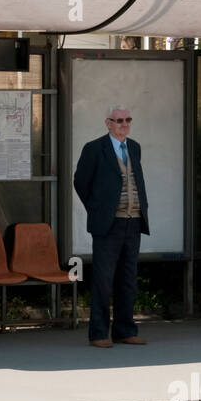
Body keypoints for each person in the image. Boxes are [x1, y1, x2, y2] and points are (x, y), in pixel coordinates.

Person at [73, 106, 150, 349]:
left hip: (134, 221)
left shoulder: (134, 147)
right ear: (108, 123)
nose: (124, 124)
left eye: (128, 119)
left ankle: (125, 330)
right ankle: (99, 333)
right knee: (103, 280)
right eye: (119, 121)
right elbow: (81, 182)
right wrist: (97, 209)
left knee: (128, 279)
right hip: (108, 224)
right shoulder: (94, 148)